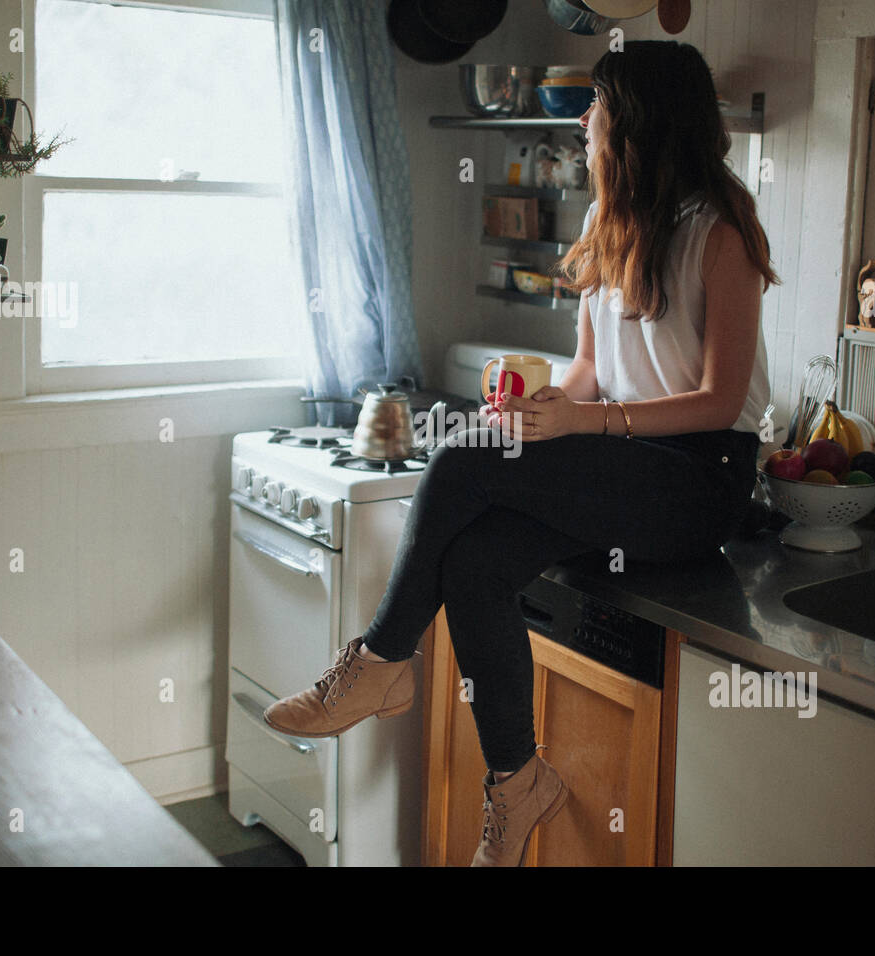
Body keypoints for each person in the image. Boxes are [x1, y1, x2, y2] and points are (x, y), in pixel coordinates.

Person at [264, 40, 778, 867]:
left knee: (459, 462)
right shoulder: (605, 221)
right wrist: (545, 408)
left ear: (636, 124)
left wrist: (585, 425)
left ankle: (380, 661)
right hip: (624, 464)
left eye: (597, 107)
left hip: (700, 480)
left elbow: (721, 402)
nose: (583, 122)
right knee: (472, 563)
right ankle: (517, 783)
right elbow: (588, 369)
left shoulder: (723, 233)